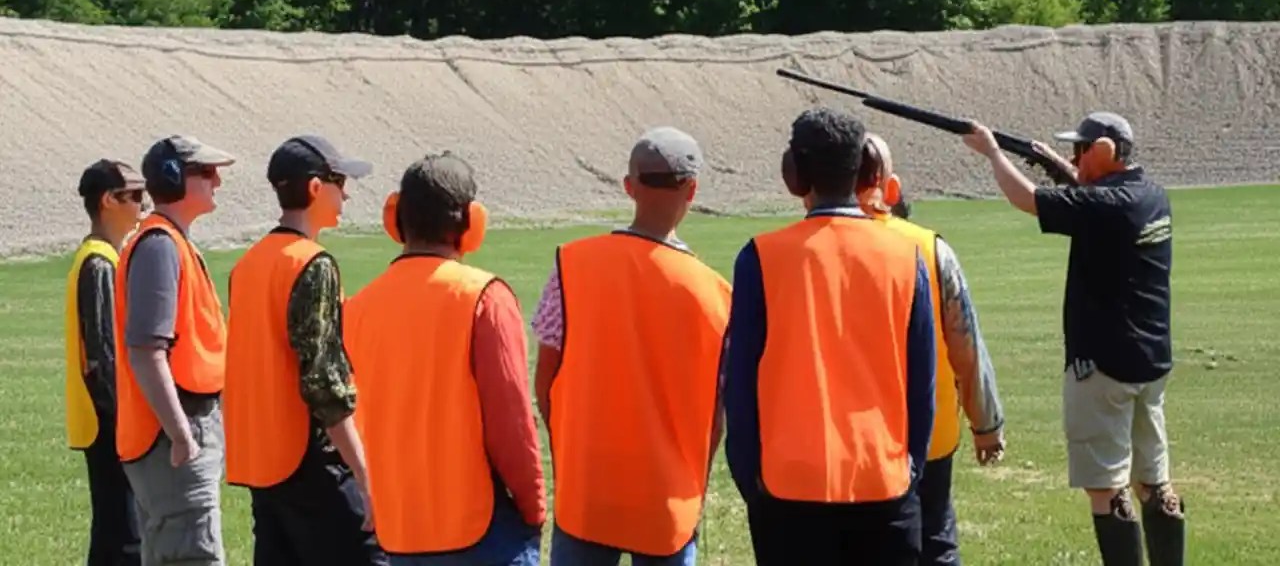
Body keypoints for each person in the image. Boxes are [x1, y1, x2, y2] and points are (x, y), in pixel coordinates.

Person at [961, 112, 1184, 566]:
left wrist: (992, 151)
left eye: (1081, 150)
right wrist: (1063, 170)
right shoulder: (1151, 196)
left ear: (1104, 150)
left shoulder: (1108, 205)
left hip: (1102, 365)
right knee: (1155, 486)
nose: (1074, 156)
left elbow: (1026, 199)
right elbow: (1096, 200)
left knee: (1108, 491)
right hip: (1149, 362)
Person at [722, 107, 937, 565]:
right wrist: (910, 469)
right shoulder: (905, 256)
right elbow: (923, 382)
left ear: (794, 175)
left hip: (789, 488)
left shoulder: (761, 257)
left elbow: (739, 385)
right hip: (884, 483)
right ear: (865, 172)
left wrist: (751, 479)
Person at [532, 127, 733, 566]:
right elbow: (717, 413)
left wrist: (569, 446)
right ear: (692, 190)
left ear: (629, 186)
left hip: (587, 490)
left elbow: (545, 381)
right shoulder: (716, 294)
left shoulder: (572, 264)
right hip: (667, 499)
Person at [343, 152, 546, 566]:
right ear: (471, 223)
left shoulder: (359, 307)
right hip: (479, 529)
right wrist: (534, 505)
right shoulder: (484, 298)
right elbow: (511, 425)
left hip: (400, 530)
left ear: (396, 219)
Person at [223, 135, 386, 565]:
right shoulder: (312, 264)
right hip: (310, 461)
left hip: (265, 461)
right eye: (339, 180)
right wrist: (365, 473)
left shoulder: (249, 264)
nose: (346, 192)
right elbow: (324, 382)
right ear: (315, 188)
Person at [856, 133, 1007, 565]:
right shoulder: (929, 246)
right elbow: (965, 342)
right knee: (936, 538)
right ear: (891, 188)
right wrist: (986, 421)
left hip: (853, 441)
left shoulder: (819, 248)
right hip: (932, 435)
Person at [114, 135, 235, 565]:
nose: (217, 180)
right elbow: (146, 352)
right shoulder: (160, 246)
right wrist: (183, 435)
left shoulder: (168, 243)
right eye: (206, 171)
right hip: (172, 436)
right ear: (173, 177)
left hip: (175, 431)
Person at [66, 159, 147, 565]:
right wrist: (125, 420)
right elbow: (104, 355)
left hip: (104, 420)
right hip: (109, 422)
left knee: (115, 529)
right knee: (124, 534)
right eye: (134, 196)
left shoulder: (102, 257)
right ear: (108, 201)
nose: (143, 205)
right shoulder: (99, 264)